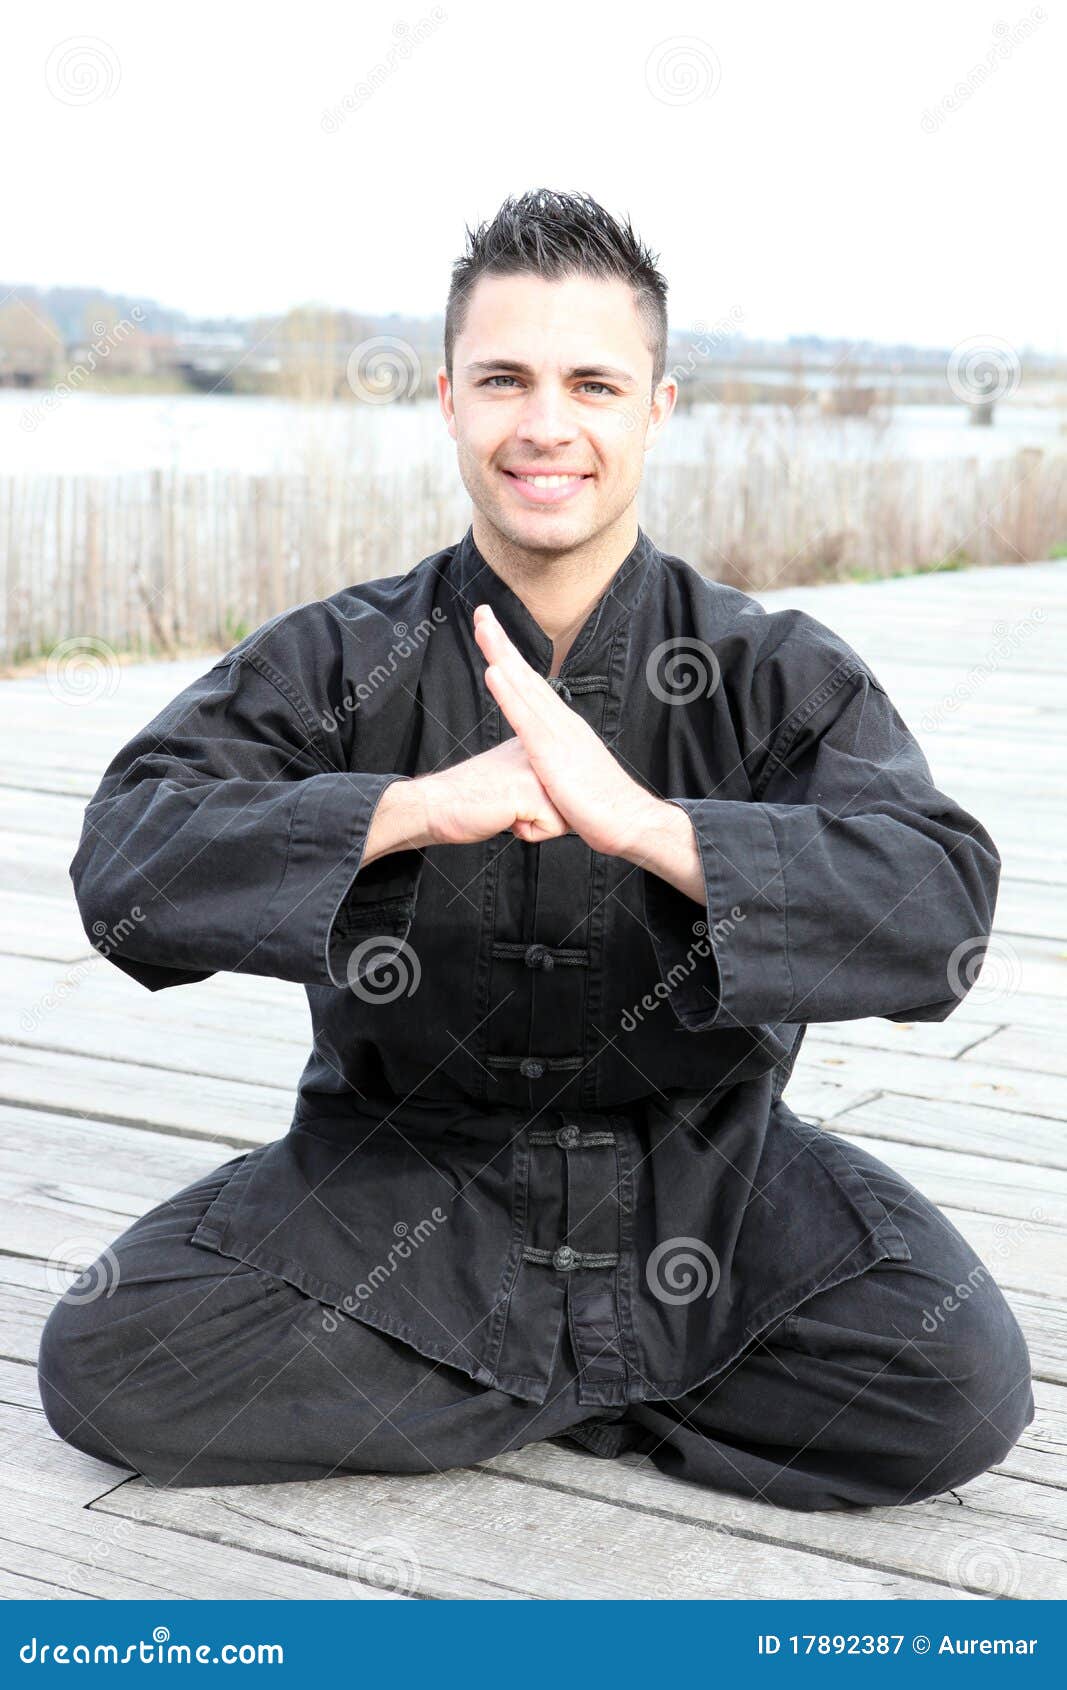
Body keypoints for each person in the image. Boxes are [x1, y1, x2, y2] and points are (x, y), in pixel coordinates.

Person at [37, 188, 1034, 1511]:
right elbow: (129, 857)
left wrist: (652, 829)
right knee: (108, 1358)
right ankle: (610, 1374)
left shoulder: (768, 667)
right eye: (505, 378)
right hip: (407, 1186)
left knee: (957, 1384)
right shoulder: (341, 656)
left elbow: (937, 904)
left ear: (655, 410)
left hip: (706, 1187)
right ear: (448, 397)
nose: (546, 424)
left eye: (593, 383)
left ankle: (499, 1373)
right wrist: (410, 808)